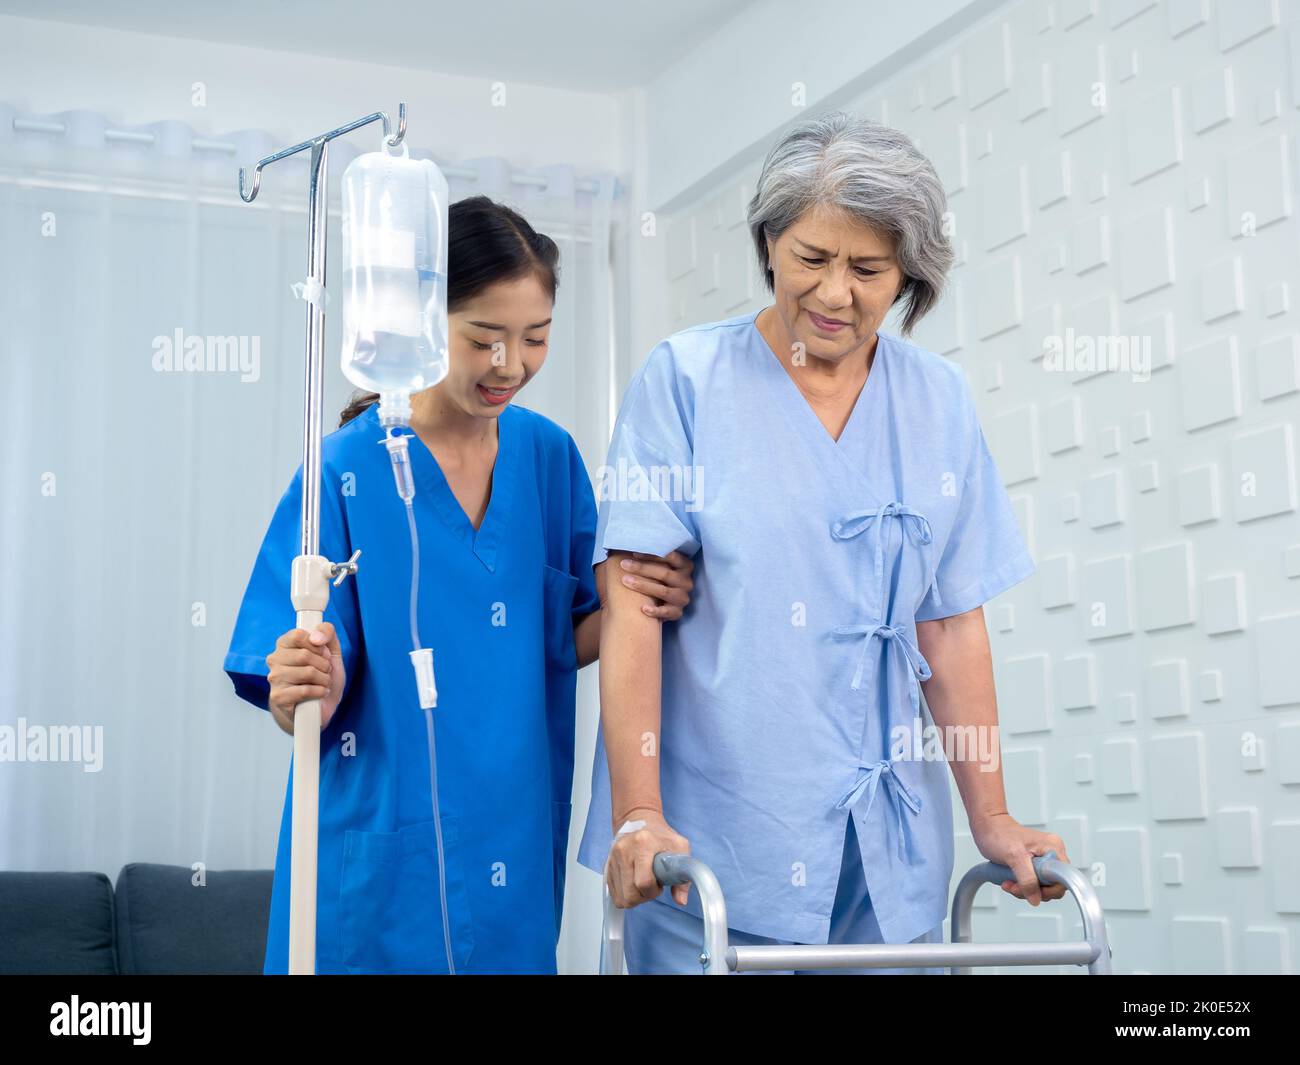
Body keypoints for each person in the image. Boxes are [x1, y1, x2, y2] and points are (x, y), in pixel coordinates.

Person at [582, 111, 1071, 974]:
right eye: (811, 257)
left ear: (908, 274)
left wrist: (992, 817)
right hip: (716, 844)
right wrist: (639, 812)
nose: (835, 293)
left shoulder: (940, 401)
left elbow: (952, 625)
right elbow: (632, 605)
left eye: (869, 268)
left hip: (889, 854)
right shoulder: (686, 381)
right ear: (770, 243)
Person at [224, 196, 694, 974]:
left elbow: (562, 632)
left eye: (535, 338)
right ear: (419, 319)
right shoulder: (345, 468)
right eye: (484, 337)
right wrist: (303, 683)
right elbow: (296, 692)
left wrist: (633, 600)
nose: (510, 364)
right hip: (376, 855)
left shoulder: (548, 458)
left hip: (510, 849)